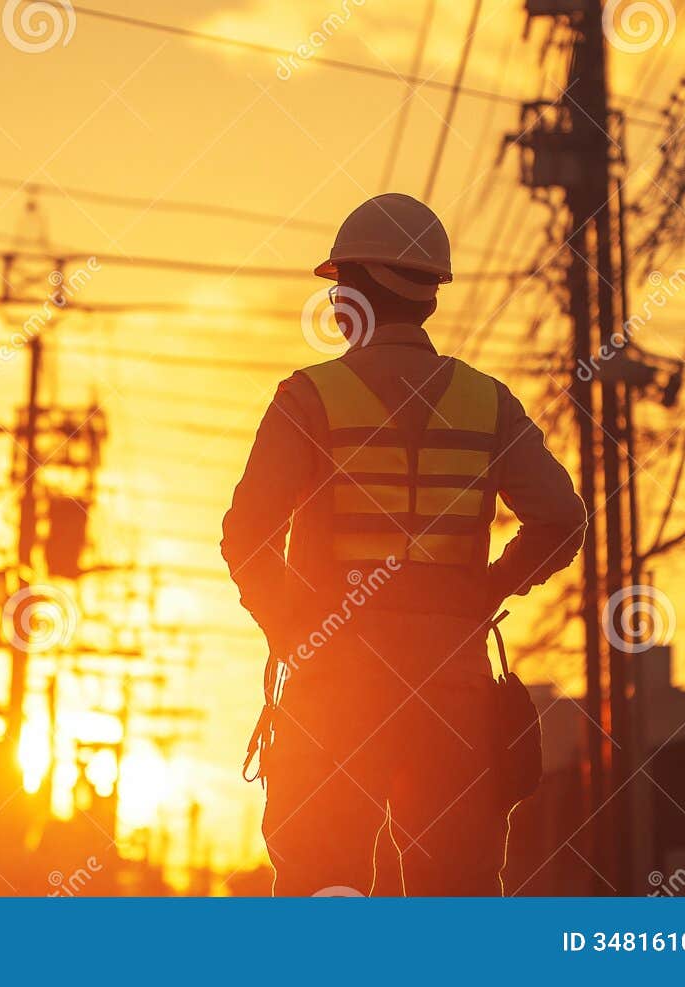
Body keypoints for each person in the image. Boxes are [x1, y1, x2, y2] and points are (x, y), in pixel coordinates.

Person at [221, 193, 586, 896]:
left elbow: (247, 536)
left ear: (355, 294)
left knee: (324, 886)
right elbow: (561, 519)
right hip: (453, 691)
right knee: (455, 895)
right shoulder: (488, 402)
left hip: (335, 686)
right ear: (429, 296)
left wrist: (298, 626)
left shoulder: (309, 398)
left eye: (338, 286)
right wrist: (488, 588)